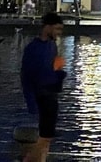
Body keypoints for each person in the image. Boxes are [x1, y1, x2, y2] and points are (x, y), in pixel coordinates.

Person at [20, 12, 67, 162]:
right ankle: (31, 159)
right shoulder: (32, 49)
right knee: (45, 136)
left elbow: (53, 68)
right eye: (57, 29)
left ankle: (37, 159)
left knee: (47, 136)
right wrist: (31, 101)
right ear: (48, 27)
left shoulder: (52, 46)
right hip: (41, 95)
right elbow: (26, 77)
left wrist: (59, 74)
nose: (59, 33)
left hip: (51, 94)